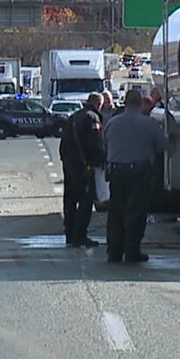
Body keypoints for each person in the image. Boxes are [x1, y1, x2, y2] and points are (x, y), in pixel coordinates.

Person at [102, 88, 166, 263]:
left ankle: (114, 252)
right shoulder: (148, 124)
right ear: (140, 104)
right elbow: (162, 146)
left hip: (116, 173)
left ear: (125, 102)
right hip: (139, 174)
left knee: (116, 213)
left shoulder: (112, 123)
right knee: (135, 212)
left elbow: (105, 143)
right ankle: (132, 251)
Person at [59, 93, 105, 248]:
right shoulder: (92, 118)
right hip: (83, 165)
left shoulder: (73, 117)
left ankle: (69, 234)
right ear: (98, 104)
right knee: (86, 201)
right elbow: (95, 143)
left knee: (70, 200)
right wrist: (101, 160)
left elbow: (63, 142)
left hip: (69, 164)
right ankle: (80, 235)